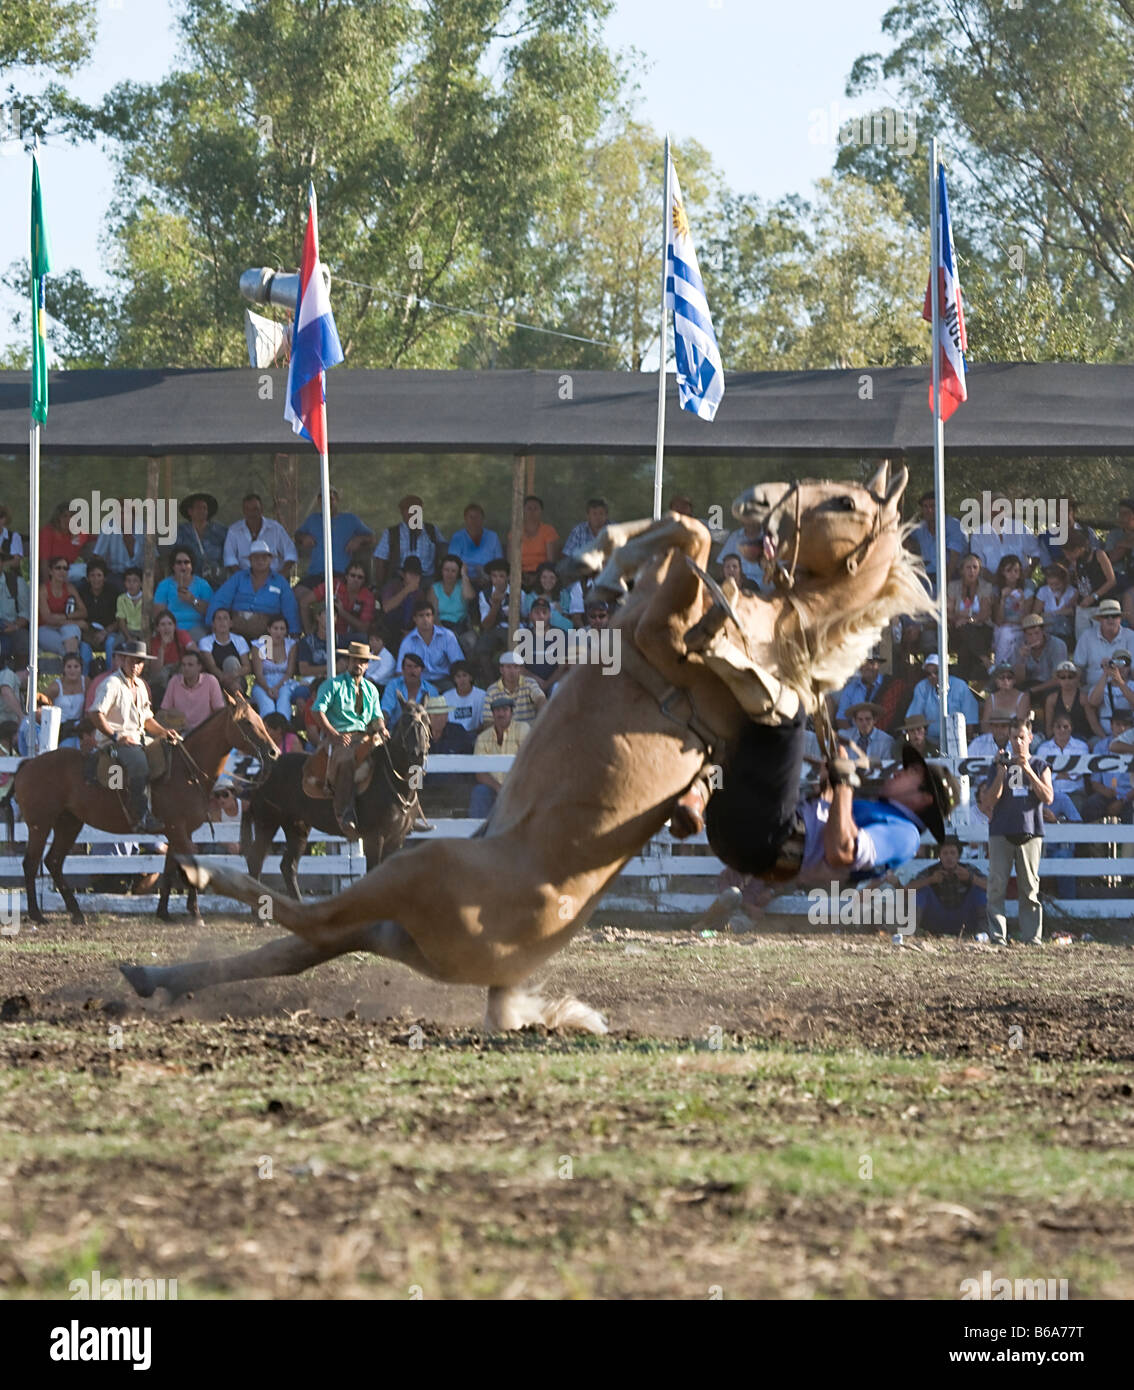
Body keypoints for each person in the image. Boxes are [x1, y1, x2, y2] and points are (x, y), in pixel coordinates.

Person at [689, 721, 960, 927]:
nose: (899, 770)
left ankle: (733, 910)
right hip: (779, 835)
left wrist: (843, 784)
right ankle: (732, 912)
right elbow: (832, 817)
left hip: (783, 838)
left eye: (911, 772)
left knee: (787, 726)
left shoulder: (906, 834)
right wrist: (830, 781)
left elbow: (841, 851)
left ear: (924, 797)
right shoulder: (883, 810)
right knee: (725, 762)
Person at [88, 640, 180, 833]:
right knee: (139, 763)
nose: (136, 665)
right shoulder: (111, 684)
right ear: (122, 660)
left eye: (139, 662)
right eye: (132, 661)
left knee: (171, 749)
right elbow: (95, 713)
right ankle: (141, 816)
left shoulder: (141, 685)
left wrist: (164, 732)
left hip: (138, 738)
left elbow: (147, 719)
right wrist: (115, 736)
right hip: (114, 742)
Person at [977, 716, 1054, 946]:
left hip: (1030, 831)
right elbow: (989, 801)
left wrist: (1028, 770)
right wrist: (1001, 771)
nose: (1018, 742)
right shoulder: (999, 764)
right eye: (1014, 738)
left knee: (1030, 888)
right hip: (1001, 830)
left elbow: (1048, 797)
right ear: (1008, 739)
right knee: (996, 886)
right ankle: (997, 935)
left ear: (1030, 738)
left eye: (1022, 737)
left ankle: (1032, 937)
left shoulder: (1040, 765)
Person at [309, 640, 389, 836]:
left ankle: (403, 810)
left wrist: (382, 729)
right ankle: (345, 812)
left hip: (367, 737)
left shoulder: (371, 690)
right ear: (348, 661)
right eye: (355, 660)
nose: (358, 664)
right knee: (346, 761)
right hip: (341, 736)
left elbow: (376, 717)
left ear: (367, 664)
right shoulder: (333, 685)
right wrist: (333, 734)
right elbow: (317, 710)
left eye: (362, 661)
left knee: (397, 757)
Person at [206, 539, 301, 639]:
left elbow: (290, 608)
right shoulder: (238, 578)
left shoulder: (280, 582)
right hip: (237, 630)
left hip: (268, 633)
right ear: (250, 560)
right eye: (256, 557)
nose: (260, 560)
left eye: (264, 557)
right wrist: (211, 623)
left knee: (267, 652)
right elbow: (220, 600)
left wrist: (294, 632)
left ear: (270, 559)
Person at [902, 836, 987, 936]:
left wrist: (971, 878)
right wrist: (930, 880)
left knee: (979, 890)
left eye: (952, 853)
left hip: (963, 918)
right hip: (937, 919)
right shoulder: (931, 871)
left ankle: (984, 933)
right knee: (922, 891)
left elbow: (991, 887)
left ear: (958, 856)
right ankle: (910, 932)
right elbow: (906, 889)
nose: (949, 857)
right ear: (939, 856)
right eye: (945, 853)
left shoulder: (967, 869)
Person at [294, 486, 374, 591]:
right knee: (297, 594)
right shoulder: (312, 520)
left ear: (337, 500)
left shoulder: (350, 519)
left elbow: (371, 537)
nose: (327, 502)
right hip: (316, 575)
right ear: (318, 502)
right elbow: (297, 535)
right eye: (322, 499)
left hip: (342, 576)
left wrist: (359, 539)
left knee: (339, 598)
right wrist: (303, 537)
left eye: (331, 499)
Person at [469, 695, 529, 819]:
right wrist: (498, 787)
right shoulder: (483, 738)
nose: (501, 714)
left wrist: (511, 787)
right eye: (497, 710)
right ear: (492, 713)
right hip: (493, 788)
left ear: (511, 712)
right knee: (479, 792)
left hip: (518, 785)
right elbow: (480, 773)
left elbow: (527, 762)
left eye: (505, 710)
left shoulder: (522, 729)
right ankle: (478, 835)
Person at [904, 654, 980, 745]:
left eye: (936, 672)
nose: (932, 676)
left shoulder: (960, 686)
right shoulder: (921, 687)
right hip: (930, 739)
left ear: (945, 671)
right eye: (928, 674)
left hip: (957, 740)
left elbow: (970, 717)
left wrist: (966, 742)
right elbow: (914, 717)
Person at [373, 494, 446, 588]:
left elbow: (445, 552)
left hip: (427, 578)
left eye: (416, 510)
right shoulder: (391, 533)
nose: (412, 514)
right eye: (408, 511)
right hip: (400, 578)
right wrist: (380, 587)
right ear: (402, 513)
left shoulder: (431, 530)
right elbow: (380, 560)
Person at [396, 597, 463, 692]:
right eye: (421, 616)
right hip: (418, 682)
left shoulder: (447, 636)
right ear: (415, 619)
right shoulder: (408, 641)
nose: (425, 619)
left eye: (428, 615)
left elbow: (458, 664)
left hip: (444, 680)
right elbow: (401, 671)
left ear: (433, 617)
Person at [1062, 526, 1117, 641]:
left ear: (1079, 548)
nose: (1068, 556)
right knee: (1082, 639)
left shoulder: (1099, 555)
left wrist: (1094, 596)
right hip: (1083, 605)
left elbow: (1112, 580)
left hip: (1101, 604)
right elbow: (1080, 582)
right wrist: (1075, 597)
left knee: (1101, 638)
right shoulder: (1076, 562)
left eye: (1069, 553)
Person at [223, 492, 297, 577]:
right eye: (247, 509)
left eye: (255, 509)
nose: (251, 513)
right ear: (243, 511)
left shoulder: (275, 528)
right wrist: (243, 579)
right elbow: (230, 559)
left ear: (262, 510)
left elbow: (291, 554)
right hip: (244, 579)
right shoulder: (234, 530)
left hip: (273, 577)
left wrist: (279, 577)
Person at [946, 553, 995, 680]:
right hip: (958, 630)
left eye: (975, 567)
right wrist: (961, 619)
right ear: (961, 570)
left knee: (965, 648)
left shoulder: (986, 587)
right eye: (968, 567)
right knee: (964, 630)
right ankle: (986, 661)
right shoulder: (953, 586)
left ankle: (962, 683)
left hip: (981, 629)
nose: (972, 571)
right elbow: (948, 612)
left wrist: (968, 619)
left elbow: (985, 613)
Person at [908, 491, 966, 596]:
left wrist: (945, 585)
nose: (929, 510)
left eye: (933, 506)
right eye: (925, 506)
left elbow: (954, 557)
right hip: (926, 578)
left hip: (951, 577)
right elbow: (904, 540)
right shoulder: (920, 528)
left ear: (941, 507)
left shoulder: (953, 526)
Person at [39, 557, 90, 670]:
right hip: (45, 628)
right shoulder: (43, 590)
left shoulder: (70, 588)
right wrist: (76, 622)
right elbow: (48, 618)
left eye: (65, 568)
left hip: (64, 626)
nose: (62, 571)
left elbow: (83, 611)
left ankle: (69, 675)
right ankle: (74, 675)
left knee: (72, 630)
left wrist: (64, 617)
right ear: (50, 571)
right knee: (72, 650)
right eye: (58, 568)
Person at [167, 491, 227, 588]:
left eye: (205, 508)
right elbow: (173, 557)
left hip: (217, 582)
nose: (202, 511)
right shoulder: (181, 532)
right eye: (199, 508)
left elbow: (228, 555)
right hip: (189, 582)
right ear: (190, 511)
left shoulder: (220, 531)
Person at [301, 560, 375, 638]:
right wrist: (308, 632)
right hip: (326, 636)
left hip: (352, 639)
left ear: (364, 580)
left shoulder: (368, 597)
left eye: (360, 577)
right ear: (346, 576)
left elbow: (364, 628)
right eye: (352, 575)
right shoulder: (333, 585)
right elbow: (304, 602)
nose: (355, 580)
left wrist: (342, 612)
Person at [1072, 597, 1134, 687]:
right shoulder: (1087, 636)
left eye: (1114, 616)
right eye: (1106, 616)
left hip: (1123, 689)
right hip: (1092, 689)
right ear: (1099, 619)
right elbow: (1078, 666)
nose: (1110, 619)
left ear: (1120, 618)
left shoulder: (1131, 636)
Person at [1034, 712, 1089, 811]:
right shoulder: (1043, 748)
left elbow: (1078, 773)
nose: (1062, 730)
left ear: (1071, 728)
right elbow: (1040, 772)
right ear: (1053, 729)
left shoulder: (1082, 746)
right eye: (1058, 727)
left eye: (1065, 727)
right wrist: (1063, 774)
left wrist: (1054, 775)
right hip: (1051, 794)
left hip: (1075, 793)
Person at [153, 548, 212, 639]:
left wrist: (192, 600)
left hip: (197, 627)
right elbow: (159, 614)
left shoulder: (202, 584)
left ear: (191, 566)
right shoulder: (164, 585)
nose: (183, 566)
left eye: (186, 562)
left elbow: (210, 610)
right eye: (179, 563)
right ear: (173, 566)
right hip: (171, 628)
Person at [161, 648, 225, 732]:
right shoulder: (174, 681)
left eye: (190, 665)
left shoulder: (210, 681)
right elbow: (164, 710)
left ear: (199, 667)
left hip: (205, 732)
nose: (186, 668)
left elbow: (219, 712)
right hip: (180, 731)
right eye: (183, 665)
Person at [250, 614, 301, 718]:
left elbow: (289, 672)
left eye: (282, 629)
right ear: (269, 629)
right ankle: (267, 732)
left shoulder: (291, 645)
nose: (279, 632)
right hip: (263, 682)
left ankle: (284, 730)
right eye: (275, 628)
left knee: (283, 703)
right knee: (267, 705)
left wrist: (277, 687)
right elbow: (258, 674)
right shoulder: (258, 646)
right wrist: (268, 688)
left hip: (284, 682)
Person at [1012, 613, 1068, 703]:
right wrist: (1021, 659)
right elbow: (1018, 680)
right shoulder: (1019, 645)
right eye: (1029, 635)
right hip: (1029, 684)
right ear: (1025, 635)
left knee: (1053, 695)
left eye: (1037, 633)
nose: (1034, 638)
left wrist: (1033, 690)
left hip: (1050, 685)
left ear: (1043, 631)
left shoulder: (1057, 645)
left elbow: (1059, 678)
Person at [990, 554, 1035, 665]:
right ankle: (1001, 667)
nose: (1013, 575)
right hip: (1002, 627)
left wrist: (1022, 603)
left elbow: (1026, 620)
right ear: (1002, 572)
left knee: (1009, 634)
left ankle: (1002, 666)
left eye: (1016, 571)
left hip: (1021, 626)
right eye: (1009, 571)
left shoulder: (1028, 586)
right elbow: (999, 621)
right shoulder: (996, 589)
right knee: (1006, 633)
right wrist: (1003, 600)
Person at [1043, 659, 1102, 744]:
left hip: (1081, 738)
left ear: (1077, 678)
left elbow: (1094, 725)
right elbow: (1049, 727)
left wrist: (1105, 739)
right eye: (1062, 677)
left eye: (1070, 677)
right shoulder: (1052, 699)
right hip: (1059, 738)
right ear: (1058, 680)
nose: (1067, 681)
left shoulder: (1083, 698)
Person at [427, 553, 477, 653]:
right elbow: (433, 615)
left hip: (462, 627)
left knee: (473, 641)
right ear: (441, 571)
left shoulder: (462, 585)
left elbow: (470, 596)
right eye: (446, 570)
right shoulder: (435, 588)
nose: (449, 574)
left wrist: (464, 575)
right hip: (442, 626)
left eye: (453, 571)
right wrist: (446, 633)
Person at [472, 556, 512, 678]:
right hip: (493, 629)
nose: (498, 580)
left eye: (501, 576)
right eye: (494, 576)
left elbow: (526, 616)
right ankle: (492, 685)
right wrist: (495, 605)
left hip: (514, 629)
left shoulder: (519, 593)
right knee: (482, 649)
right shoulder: (484, 594)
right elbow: (485, 624)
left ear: (508, 577)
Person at [446, 502, 503, 586]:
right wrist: (467, 578)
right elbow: (452, 563)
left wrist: (489, 577)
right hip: (464, 580)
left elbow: (499, 562)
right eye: (471, 517)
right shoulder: (458, 537)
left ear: (483, 519)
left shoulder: (492, 536)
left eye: (477, 517)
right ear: (465, 519)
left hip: (490, 580)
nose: (474, 520)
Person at [197, 606, 252, 694]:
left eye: (225, 618)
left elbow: (247, 667)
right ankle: (238, 697)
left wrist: (234, 675)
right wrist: (224, 678)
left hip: (238, 680)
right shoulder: (205, 641)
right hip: (216, 681)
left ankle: (236, 692)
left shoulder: (239, 640)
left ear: (231, 623)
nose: (222, 622)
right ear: (213, 624)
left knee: (231, 661)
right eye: (218, 619)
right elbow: (212, 666)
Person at [482, 651, 546, 724]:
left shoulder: (530, 683)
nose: (512, 671)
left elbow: (541, 698)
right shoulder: (492, 690)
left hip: (528, 733)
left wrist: (540, 719)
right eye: (508, 667)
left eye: (516, 667)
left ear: (520, 669)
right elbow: (487, 720)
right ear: (501, 670)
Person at [76, 556, 120, 663]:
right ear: (87, 578)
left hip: (109, 632)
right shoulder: (81, 592)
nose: (96, 579)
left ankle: (111, 674)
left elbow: (120, 620)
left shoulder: (114, 593)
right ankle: (84, 677)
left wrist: (105, 632)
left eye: (99, 575)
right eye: (92, 575)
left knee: (111, 643)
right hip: (87, 633)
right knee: (84, 648)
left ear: (104, 578)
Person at [39, 500, 94, 583]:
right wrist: (47, 587)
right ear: (58, 518)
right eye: (64, 516)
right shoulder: (48, 532)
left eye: (71, 516)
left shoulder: (78, 533)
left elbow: (96, 539)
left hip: (69, 574)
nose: (68, 520)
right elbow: (44, 561)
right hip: (51, 574)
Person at [379, 554, 426, 649]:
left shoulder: (420, 594)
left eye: (416, 575)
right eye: (410, 574)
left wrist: (412, 632)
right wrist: (407, 590)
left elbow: (423, 616)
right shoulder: (393, 586)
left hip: (411, 632)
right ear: (403, 574)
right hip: (389, 631)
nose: (414, 577)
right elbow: (386, 607)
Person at [510, 494, 558, 583]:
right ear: (523, 511)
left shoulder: (548, 531)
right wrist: (521, 575)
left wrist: (537, 576)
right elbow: (511, 560)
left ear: (541, 511)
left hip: (543, 575)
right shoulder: (515, 532)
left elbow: (551, 561)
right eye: (529, 508)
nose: (532, 512)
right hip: (520, 575)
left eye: (536, 508)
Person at [149, 609, 194, 703]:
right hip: (165, 670)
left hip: (180, 666)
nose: (167, 628)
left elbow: (194, 652)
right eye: (163, 624)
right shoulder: (155, 641)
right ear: (157, 628)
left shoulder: (181, 634)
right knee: (162, 677)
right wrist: (162, 648)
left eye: (170, 624)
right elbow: (155, 670)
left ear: (174, 626)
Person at [1085, 648, 1134, 734]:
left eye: (1125, 664)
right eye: (1118, 663)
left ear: (1129, 668)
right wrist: (1106, 673)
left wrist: (1119, 681)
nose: (1121, 668)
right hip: (1105, 735)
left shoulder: (1132, 685)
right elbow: (1093, 702)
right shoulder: (1102, 685)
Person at [834, 654, 886, 730]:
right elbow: (841, 718)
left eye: (871, 663)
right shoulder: (850, 688)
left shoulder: (889, 685)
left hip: (882, 737)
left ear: (878, 665)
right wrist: (854, 738)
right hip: (855, 736)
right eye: (863, 663)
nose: (867, 667)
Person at [380, 651, 438, 720]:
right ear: (402, 669)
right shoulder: (393, 685)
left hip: (422, 728)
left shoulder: (431, 690)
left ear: (421, 670)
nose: (412, 671)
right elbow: (385, 710)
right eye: (409, 666)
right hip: (395, 729)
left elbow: (435, 717)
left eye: (416, 667)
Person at [442, 662, 485, 750]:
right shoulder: (446, 696)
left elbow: (483, 724)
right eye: (458, 676)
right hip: (452, 738)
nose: (462, 679)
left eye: (464, 675)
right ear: (454, 679)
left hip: (474, 737)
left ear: (470, 677)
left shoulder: (482, 695)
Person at [1034, 561, 1078, 646]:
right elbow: (1037, 613)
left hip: (1065, 630)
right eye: (1051, 584)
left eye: (1057, 584)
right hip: (1047, 629)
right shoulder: (1043, 591)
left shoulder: (1072, 592)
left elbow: (1073, 612)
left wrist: (1052, 614)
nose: (1054, 587)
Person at [47, 653, 87, 746]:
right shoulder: (55, 687)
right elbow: (43, 704)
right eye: (69, 667)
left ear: (81, 668)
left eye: (76, 666)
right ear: (64, 669)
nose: (72, 670)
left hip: (79, 727)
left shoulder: (86, 682)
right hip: (61, 728)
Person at [980, 662, 1031, 731]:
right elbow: (985, 724)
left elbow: (1021, 723)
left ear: (1014, 680)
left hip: (1015, 736)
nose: (1005, 680)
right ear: (996, 681)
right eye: (1001, 677)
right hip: (993, 736)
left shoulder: (1023, 697)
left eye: (1009, 677)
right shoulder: (990, 699)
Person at [0, 560, 30, 667]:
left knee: (23, 639)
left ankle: (20, 677)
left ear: (2, 563)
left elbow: (25, 612)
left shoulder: (17, 582)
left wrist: (15, 626)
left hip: (12, 627)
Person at [114, 566, 148, 649]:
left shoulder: (147, 599)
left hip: (143, 631)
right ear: (124, 583)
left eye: (135, 581)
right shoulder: (121, 599)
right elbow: (121, 621)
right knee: (116, 646)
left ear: (141, 583)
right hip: (127, 631)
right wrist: (128, 638)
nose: (131, 584)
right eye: (128, 581)